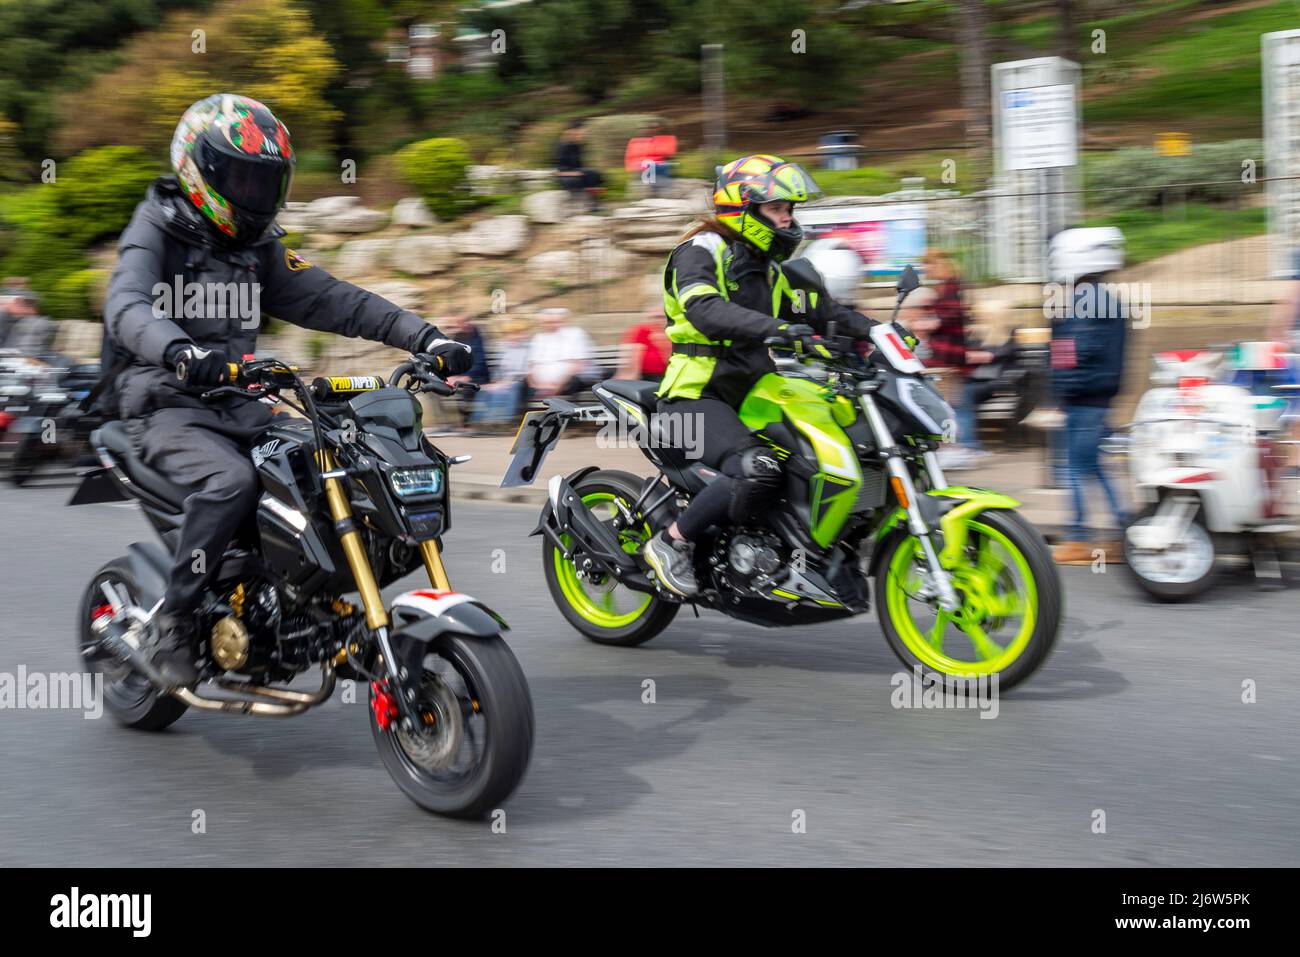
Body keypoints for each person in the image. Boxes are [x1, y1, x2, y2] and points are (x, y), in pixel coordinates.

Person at [104, 93, 471, 687]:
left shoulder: (257, 248)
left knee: (327, 462)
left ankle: (308, 602)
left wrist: (424, 336)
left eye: (264, 182)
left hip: (239, 401)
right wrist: (179, 352)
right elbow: (126, 306)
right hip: (166, 401)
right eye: (242, 179)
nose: (253, 195)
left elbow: (335, 299)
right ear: (199, 169)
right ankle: (172, 620)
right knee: (232, 482)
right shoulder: (156, 228)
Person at [640, 154, 878, 597]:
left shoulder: (771, 271)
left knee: (818, 453)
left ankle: (783, 548)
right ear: (743, 209)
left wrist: (877, 331)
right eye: (777, 209)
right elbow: (705, 309)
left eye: (790, 210)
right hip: (695, 394)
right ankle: (672, 543)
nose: (788, 219)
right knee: (757, 468)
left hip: (756, 391)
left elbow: (825, 311)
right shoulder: (698, 251)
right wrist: (779, 329)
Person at [1046, 227, 1130, 565]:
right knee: (1094, 467)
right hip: (1097, 397)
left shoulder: (1087, 300)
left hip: (1083, 399)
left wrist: (1060, 393)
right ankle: (1125, 531)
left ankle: (1079, 538)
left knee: (1076, 468)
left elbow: (1073, 351)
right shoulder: (1104, 297)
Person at [922, 249, 993, 469]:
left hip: (948, 357)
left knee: (950, 405)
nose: (928, 271)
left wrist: (932, 322)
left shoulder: (952, 286)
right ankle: (966, 447)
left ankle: (963, 448)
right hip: (946, 356)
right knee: (955, 405)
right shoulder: (947, 287)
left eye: (930, 266)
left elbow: (953, 314)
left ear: (940, 265)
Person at [470, 316, 531, 426]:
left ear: (524, 334)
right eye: (510, 333)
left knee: (506, 390)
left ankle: (499, 423)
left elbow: (525, 371)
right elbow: (499, 371)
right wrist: (495, 383)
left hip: (521, 383)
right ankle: (478, 424)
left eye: (517, 333)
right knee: (484, 390)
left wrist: (507, 383)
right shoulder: (505, 349)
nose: (513, 336)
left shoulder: (528, 349)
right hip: (504, 382)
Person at [525, 307, 597, 398]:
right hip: (543, 384)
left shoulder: (575, 334)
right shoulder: (538, 337)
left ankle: (564, 410)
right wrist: (535, 385)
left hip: (572, 378)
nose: (552, 325)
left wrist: (558, 385)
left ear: (565, 321)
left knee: (571, 383)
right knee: (521, 385)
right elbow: (531, 365)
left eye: (556, 322)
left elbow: (578, 365)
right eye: (547, 323)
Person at [437, 312, 491, 428]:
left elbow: (480, 363)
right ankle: (446, 425)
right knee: (436, 388)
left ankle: (468, 423)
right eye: (458, 323)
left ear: (469, 322)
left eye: (462, 322)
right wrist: (451, 375)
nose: (460, 326)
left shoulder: (477, 337)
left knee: (465, 388)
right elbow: (452, 360)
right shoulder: (458, 337)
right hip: (461, 376)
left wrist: (466, 376)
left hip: (477, 376)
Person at [554, 120, 604, 204]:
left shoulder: (576, 145)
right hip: (565, 177)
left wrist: (581, 172)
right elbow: (558, 171)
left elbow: (579, 166)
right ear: (571, 131)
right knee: (583, 177)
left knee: (595, 174)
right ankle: (591, 202)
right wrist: (576, 173)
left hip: (577, 173)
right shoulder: (561, 146)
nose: (582, 135)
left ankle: (593, 201)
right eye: (580, 133)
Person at [615, 308, 671, 383]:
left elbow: (669, 361)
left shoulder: (670, 333)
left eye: (661, 317)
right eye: (654, 317)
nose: (658, 320)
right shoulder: (640, 330)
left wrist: (663, 345)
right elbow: (633, 356)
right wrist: (629, 377)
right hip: (642, 375)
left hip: (665, 375)